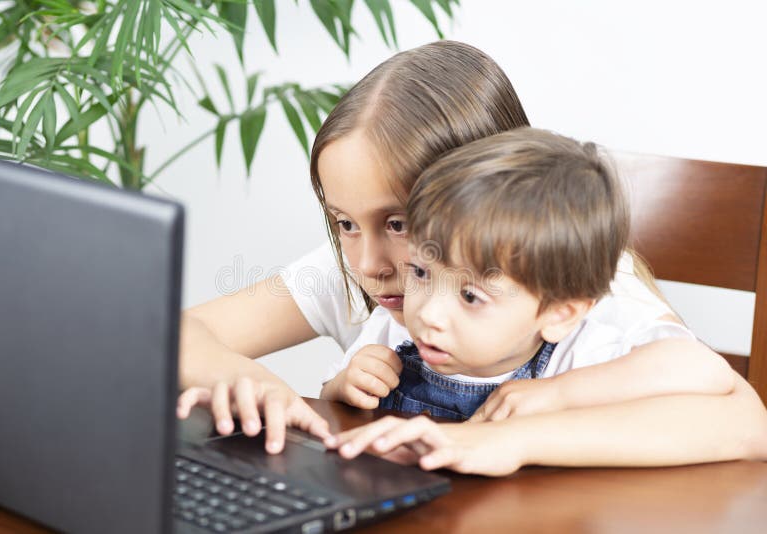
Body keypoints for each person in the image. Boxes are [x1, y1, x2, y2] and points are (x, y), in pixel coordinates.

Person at [176, 41, 766, 457]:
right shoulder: (357, 269)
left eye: (400, 222)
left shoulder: (573, 286)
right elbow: (167, 332)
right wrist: (249, 378)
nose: (368, 265)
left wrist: (512, 436)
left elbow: (747, 424)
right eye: (344, 222)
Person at [324, 128, 767, 474]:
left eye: (471, 296)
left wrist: (558, 394)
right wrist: (343, 387)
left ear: (560, 314)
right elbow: (334, 404)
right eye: (420, 272)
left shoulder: (584, 350)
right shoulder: (396, 326)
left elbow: (702, 368)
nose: (428, 313)